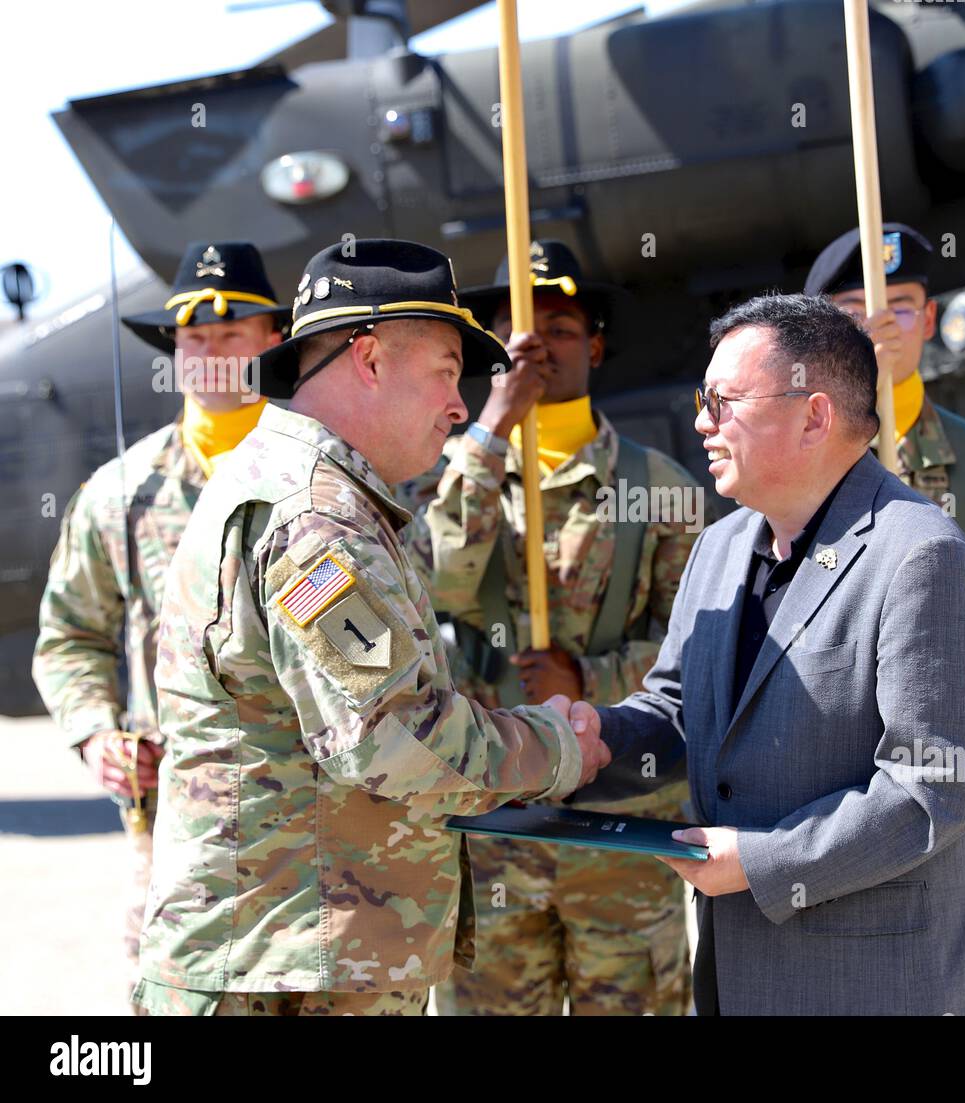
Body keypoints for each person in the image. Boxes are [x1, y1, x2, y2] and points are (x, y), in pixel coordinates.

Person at [132, 239, 608, 1017]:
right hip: (289, 973)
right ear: (370, 359)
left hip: (295, 955)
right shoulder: (315, 519)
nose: (460, 405)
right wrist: (557, 748)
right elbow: (396, 738)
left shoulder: (313, 494)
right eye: (448, 372)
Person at [569, 292, 965, 1015]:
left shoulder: (921, 555)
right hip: (745, 974)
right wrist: (584, 745)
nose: (701, 420)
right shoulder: (720, 547)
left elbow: (937, 787)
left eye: (722, 400)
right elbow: (679, 712)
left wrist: (760, 862)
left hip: (882, 981)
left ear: (815, 414)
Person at [402, 240, 703, 1015]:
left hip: (622, 829)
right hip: (491, 816)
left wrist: (590, 682)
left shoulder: (661, 487)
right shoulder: (441, 476)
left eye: (561, 326)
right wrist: (494, 428)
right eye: (515, 328)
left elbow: (701, 653)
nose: (536, 344)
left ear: (596, 344)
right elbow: (439, 582)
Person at [32, 241, 288, 1002]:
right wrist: (95, 731)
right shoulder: (121, 492)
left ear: (274, 339)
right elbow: (69, 630)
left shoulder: (320, 474)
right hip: (177, 824)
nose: (209, 352)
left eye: (231, 333)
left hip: (313, 820)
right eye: (194, 337)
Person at [803, 223, 965, 954]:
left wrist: (932, 618)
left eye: (902, 306)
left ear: (932, 316)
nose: (880, 326)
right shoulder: (796, 459)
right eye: (854, 311)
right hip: (830, 776)